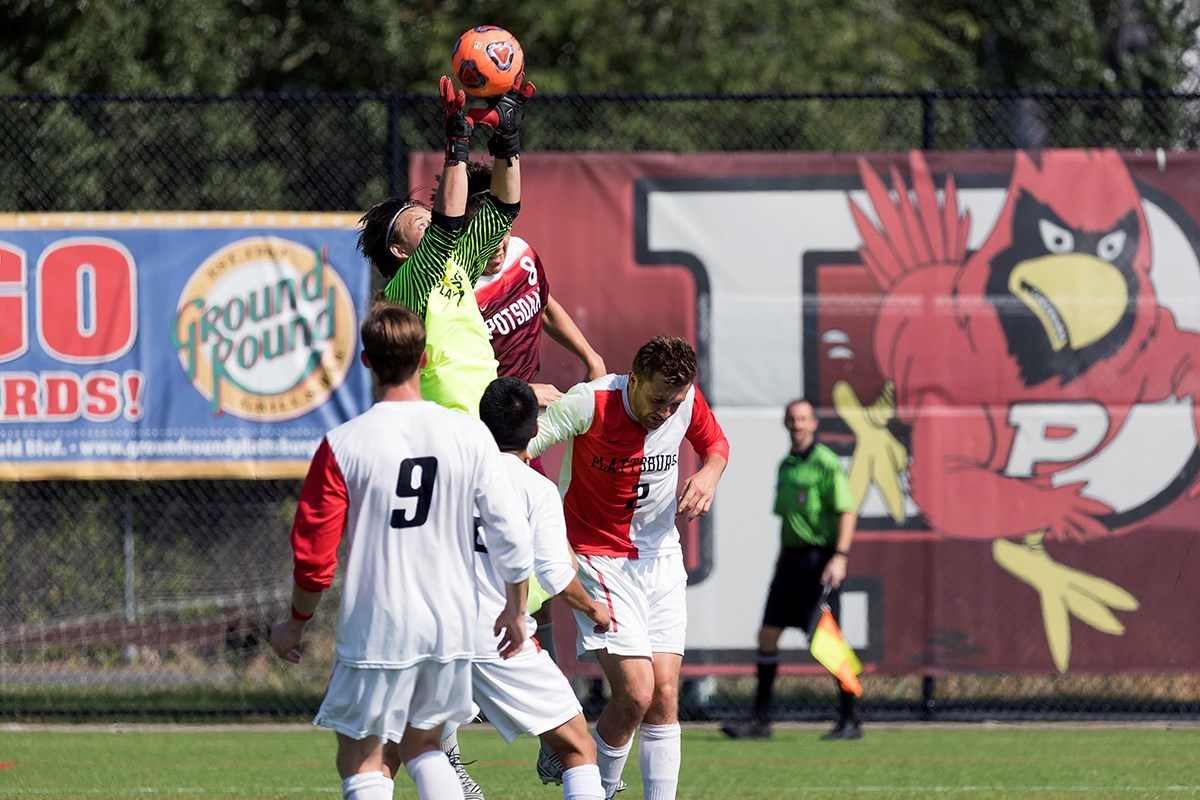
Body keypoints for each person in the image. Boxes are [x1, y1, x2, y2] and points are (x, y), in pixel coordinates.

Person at [268, 302, 534, 800]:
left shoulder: (344, 444)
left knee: (364, 757)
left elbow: (314, 559)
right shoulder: (470, 435)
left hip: (380, 625)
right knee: (425, 745)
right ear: (426, 358)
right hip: (451, 623)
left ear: (365, 361)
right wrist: (516, 610)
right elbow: (511, 534)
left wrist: (295, 626)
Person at [390, 376, 612, 800]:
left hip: (428, 629)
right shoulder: (535, 488)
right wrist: (595, 609)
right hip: (496, 634)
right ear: (534, 430)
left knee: (408, 748)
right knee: (578, 747)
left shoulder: (443, 477)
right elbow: (555, 577)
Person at [529, 335, 730, 800]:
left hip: (661, 558)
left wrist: (709, 473)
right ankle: (593, 786)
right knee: (636, 693)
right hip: (598, 557)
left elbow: (715, 442)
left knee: (663, 698)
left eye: (674, 402)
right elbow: (521, 446)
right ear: (634, 380)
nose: (666, 412)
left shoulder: (685, 400)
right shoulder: (590, 402)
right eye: (658, 400)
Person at [355, 74, 535, 417]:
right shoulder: (404, 289)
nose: (433, 223)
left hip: (490, 418)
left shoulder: (457, 267)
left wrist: (508, 139)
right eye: (422, 223)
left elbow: (503, 211)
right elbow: (446, 229)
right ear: (399, 250)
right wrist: (457, 141)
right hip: (447, 422)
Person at [719, 398, 861, 742]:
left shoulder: (825, 463)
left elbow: (846, 510)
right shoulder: (787, 465)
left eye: (803, 419)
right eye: (792, 419)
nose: (797, 425)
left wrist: (839, 556)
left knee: (828, 640)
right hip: (790, 561)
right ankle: (761, 721)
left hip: (819, 560)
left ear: (814, 424)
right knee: (767, 635)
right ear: (786, 424)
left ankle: (851, 719)